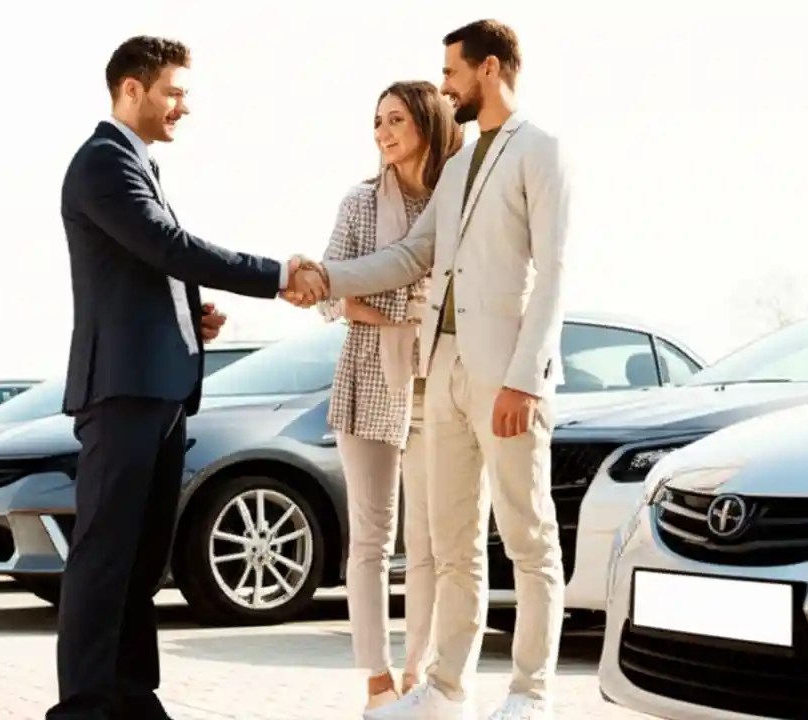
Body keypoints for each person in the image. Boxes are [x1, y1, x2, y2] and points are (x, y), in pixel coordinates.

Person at [284, 19, 571, 720]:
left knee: (529, 538)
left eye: (452, 74)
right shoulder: (462, 163)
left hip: (505, 376)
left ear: (491, 69)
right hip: (440, 376)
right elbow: (412, 254)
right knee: (450, 545)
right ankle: (444, 690)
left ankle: (532, 693)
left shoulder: (541, 150)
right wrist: (326, 277)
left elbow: (556, 268)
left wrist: (526, 378)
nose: (445, 87)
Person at [52, 35, 304, 720]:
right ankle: (83, 706)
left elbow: (148, 268)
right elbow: (169, 246)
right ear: (131, 90)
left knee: (140, 557)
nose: (183, 108)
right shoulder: (103, 164)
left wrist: (194, 318)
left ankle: (131, 694)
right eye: (174, 93)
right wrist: (277, 277)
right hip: (123, 389)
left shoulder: (135, 165)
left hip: (158, 387)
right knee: (105, 555)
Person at [316, 80, 462, 712]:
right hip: (368, 376)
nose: (383, 131)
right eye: (377, 120)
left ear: (427, 123)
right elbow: (330, 293)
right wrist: (408, 311)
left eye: (396, 119)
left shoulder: (456, 201)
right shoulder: (359, 203)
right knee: (373, 539)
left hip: (441, 377)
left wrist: (387, 306)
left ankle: (418, 674)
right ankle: (375, 680)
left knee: (429, 541)